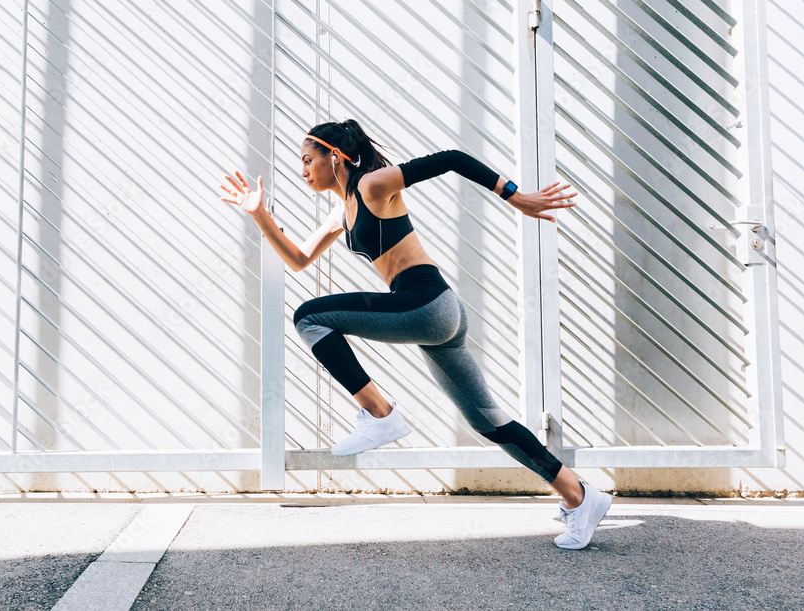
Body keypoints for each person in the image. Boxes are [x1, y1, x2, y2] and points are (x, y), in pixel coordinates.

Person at [218, 119, 612, 549]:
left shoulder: (371, 186)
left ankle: (381, 414)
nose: (303, 171)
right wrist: (259, 214)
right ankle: (579, 497)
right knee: (488, 421)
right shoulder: (341, 211)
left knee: (310, 317)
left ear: (334, 156)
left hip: (425, 305)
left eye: (308, 160)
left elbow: (451, 160)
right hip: (439, 315)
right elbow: (297, 259)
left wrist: (515, 196)